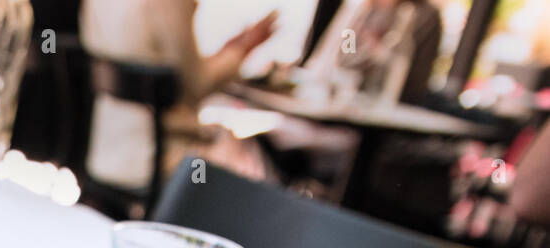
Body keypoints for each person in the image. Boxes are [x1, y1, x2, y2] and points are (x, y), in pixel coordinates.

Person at [79, 0, 277, 192]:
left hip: (105, 154)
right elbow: (196, 86)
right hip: (161, 160)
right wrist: (244, 48)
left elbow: (156, 66)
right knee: (252, 159)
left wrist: (229, 51)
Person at [305, 0, 442, 105]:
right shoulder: (362, 8)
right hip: (339, 99)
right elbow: (344, 55)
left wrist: (380, 52)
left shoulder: (422, 15)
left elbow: (412, 81)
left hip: (386, 108)